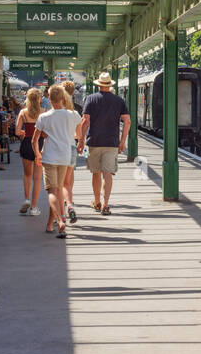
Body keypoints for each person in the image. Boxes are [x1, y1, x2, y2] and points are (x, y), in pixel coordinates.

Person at [76, 71, 131, 216]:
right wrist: (123, 141)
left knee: (95, 173)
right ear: (109, 84)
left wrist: (81, 140)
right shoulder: (119, 101)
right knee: (107, 174)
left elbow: (85, 121)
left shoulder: (90, 99)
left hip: (94, 141)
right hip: (112, 142)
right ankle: (106, 205)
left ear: (99, 84)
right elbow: (127, 121)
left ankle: (97, 202)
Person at [34, 84, 78, 235]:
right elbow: (77, 132)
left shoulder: (44, 117)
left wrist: (37, 154)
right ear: (62, 98)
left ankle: (59, 221)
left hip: (50, 157)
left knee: (52, 192)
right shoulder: (71, 115)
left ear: (49, 98)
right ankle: (49, 225)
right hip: (65, 157)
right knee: (59, 189)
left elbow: (34, 140)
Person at [14, 87, 43, 217]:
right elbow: (46, 132)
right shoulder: (43, 113)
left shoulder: (23, 112)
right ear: (39, 99)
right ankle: (33, 207)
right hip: (39, 144)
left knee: (27, 175)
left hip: (26, 144)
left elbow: (16, 131)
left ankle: (26, 199)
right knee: (37, 178)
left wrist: (25, 133)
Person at [60, 81, 84, 225]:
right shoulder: (77, 109)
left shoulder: (53, 111)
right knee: (69, 179)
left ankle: (62, 211)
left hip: (56, 149)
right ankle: (70, 200)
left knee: (58, 183)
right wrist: (81, 142)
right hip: (71, 146)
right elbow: (79, 132)